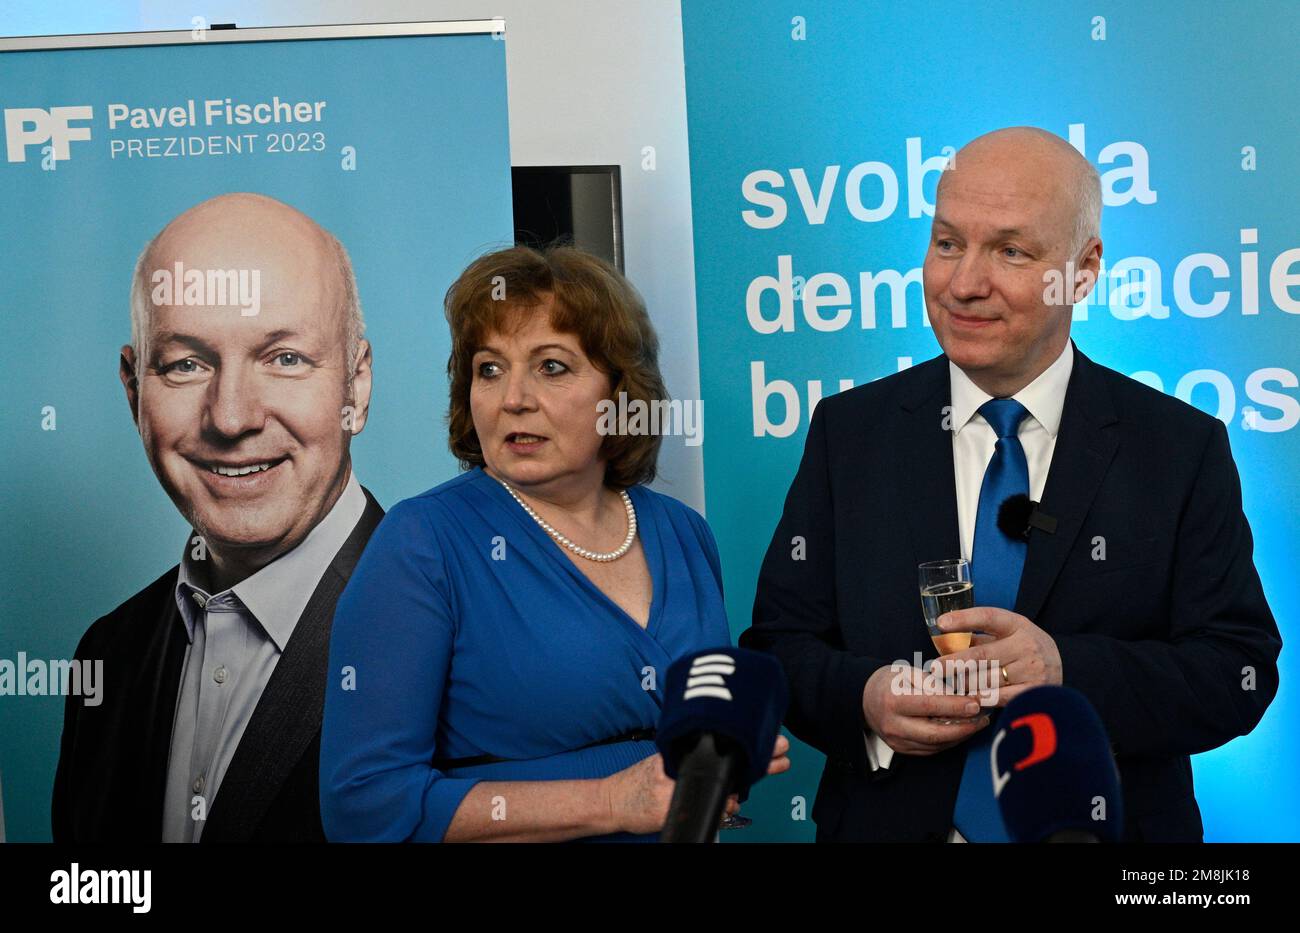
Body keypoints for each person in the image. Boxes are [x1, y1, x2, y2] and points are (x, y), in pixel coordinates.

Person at [742, 127, 1281, 842]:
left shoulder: (1179, 448)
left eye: (1010, 251)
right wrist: (867, 700)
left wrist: (1065, 668)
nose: (965, 282)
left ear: (1083, 271)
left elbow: (1235, 670)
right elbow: (779, 645)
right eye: (946, 243)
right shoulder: (851, 432)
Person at [320, 244, 789, 842]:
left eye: (551, 367)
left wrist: (723, 759)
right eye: (489, 368)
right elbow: (362, 804)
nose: (513, 398)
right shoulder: (422, 543)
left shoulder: (682, 531)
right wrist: (611, 800)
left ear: (621, 392)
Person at [52, 193, 383, 843]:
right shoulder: (107, 657)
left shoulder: (471, 645)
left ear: (356, 385)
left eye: (284, 358)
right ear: (133, 390)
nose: (231, 417)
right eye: (186, 364)